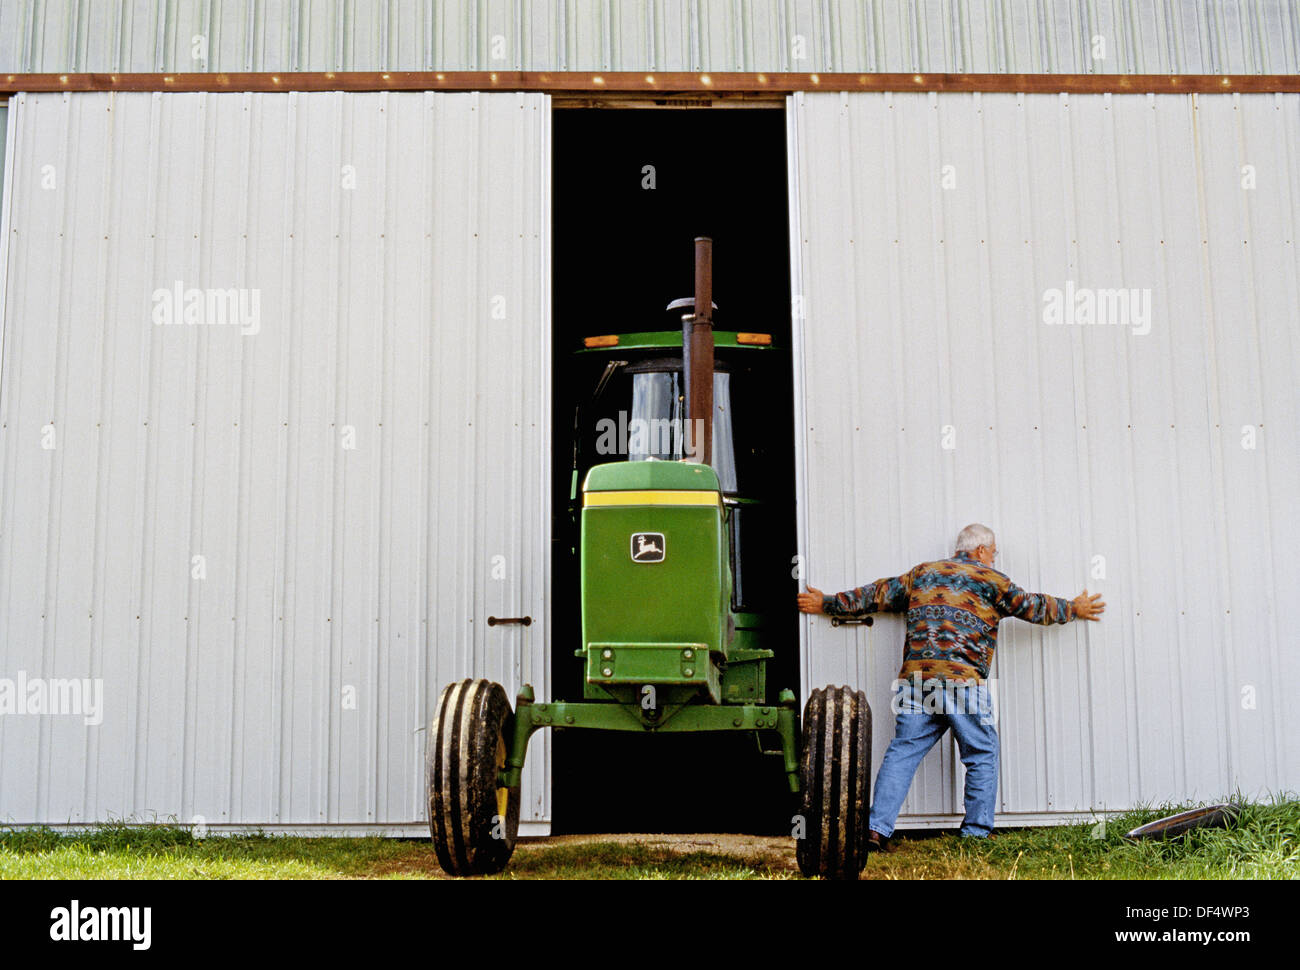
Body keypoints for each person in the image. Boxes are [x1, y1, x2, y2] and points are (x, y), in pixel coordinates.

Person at [796, 523, 1105, 850]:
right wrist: (1074, 608)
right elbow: (1033, 606)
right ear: (983, 551)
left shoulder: (922, 574)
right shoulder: (991, 579)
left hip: (917, 680)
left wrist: (828, 603)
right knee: (982, 752)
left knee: (903, 752)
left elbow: (875, 595)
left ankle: (876, 829)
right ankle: (976, 834)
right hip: (962, 682)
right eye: (994, 552)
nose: (995, 558)